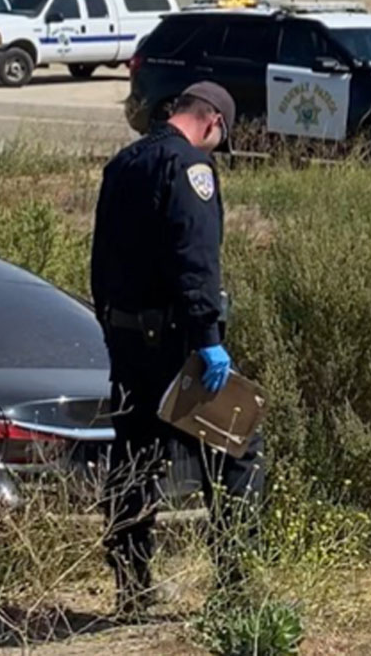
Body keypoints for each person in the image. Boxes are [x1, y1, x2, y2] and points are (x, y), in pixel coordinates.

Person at [90, 81, 262, 612]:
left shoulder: (124, 163)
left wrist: (110, 325)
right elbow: (195, 262)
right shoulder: (192, 170)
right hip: (175, 343)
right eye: (220, 138)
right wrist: (207, 338)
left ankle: (132, 589)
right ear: (212, 122)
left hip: (125, 335)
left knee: (135, 460)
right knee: (237, 449)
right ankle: (235, 590)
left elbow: (101, 258)